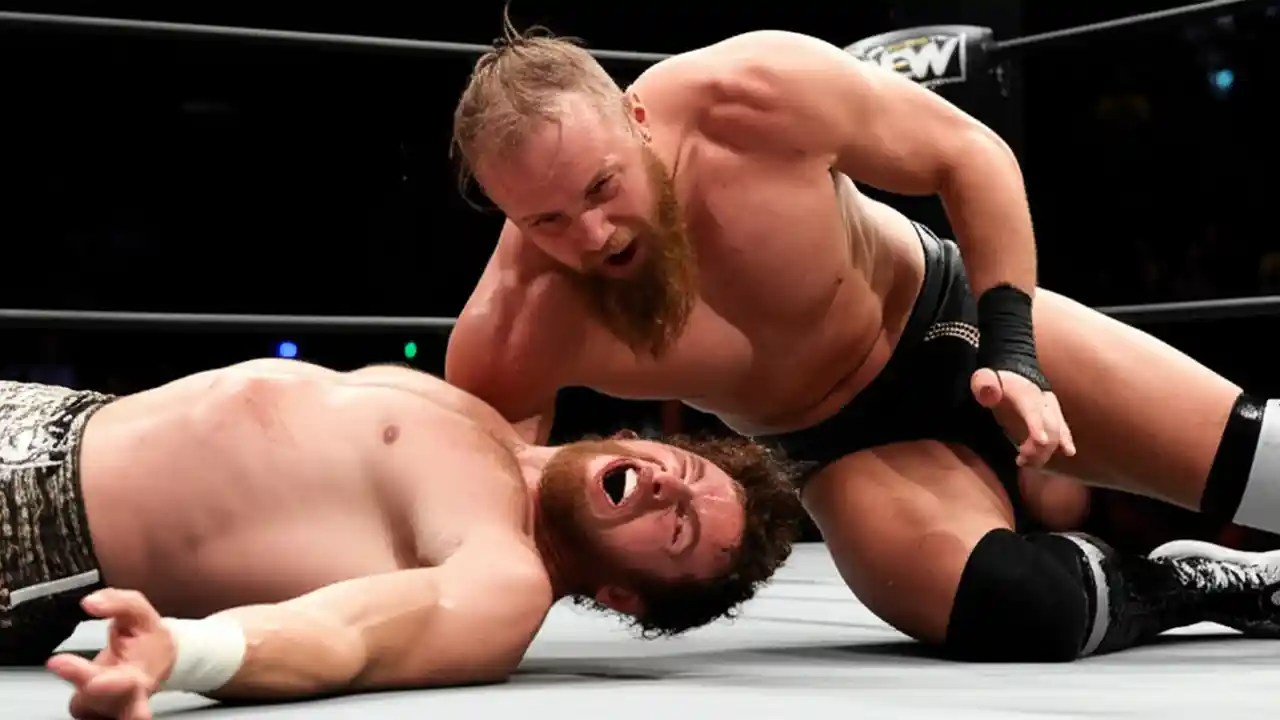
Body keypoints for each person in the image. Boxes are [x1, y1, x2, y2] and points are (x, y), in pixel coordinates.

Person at [444, 15, 1280, 664]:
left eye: (601, 187)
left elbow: (968, 154)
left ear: (635, 118)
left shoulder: (754, 93)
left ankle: (1140, 502)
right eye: (545, 220)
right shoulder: (515, 329)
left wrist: (1013, 351)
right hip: (841, 447)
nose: (591, 236)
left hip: (946, 318)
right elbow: (486, 512)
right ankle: (1196, 583)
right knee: (1023, 608)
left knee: (1268, 464)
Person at [1, 358, 802, 718]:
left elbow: (342, 638)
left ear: (621, 593)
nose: (668, 487)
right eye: (685, 473)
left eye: (680, 528)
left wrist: (182, 653)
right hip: (43, 410)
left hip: (30, 535)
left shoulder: (502, 576)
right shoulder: (486, 421)